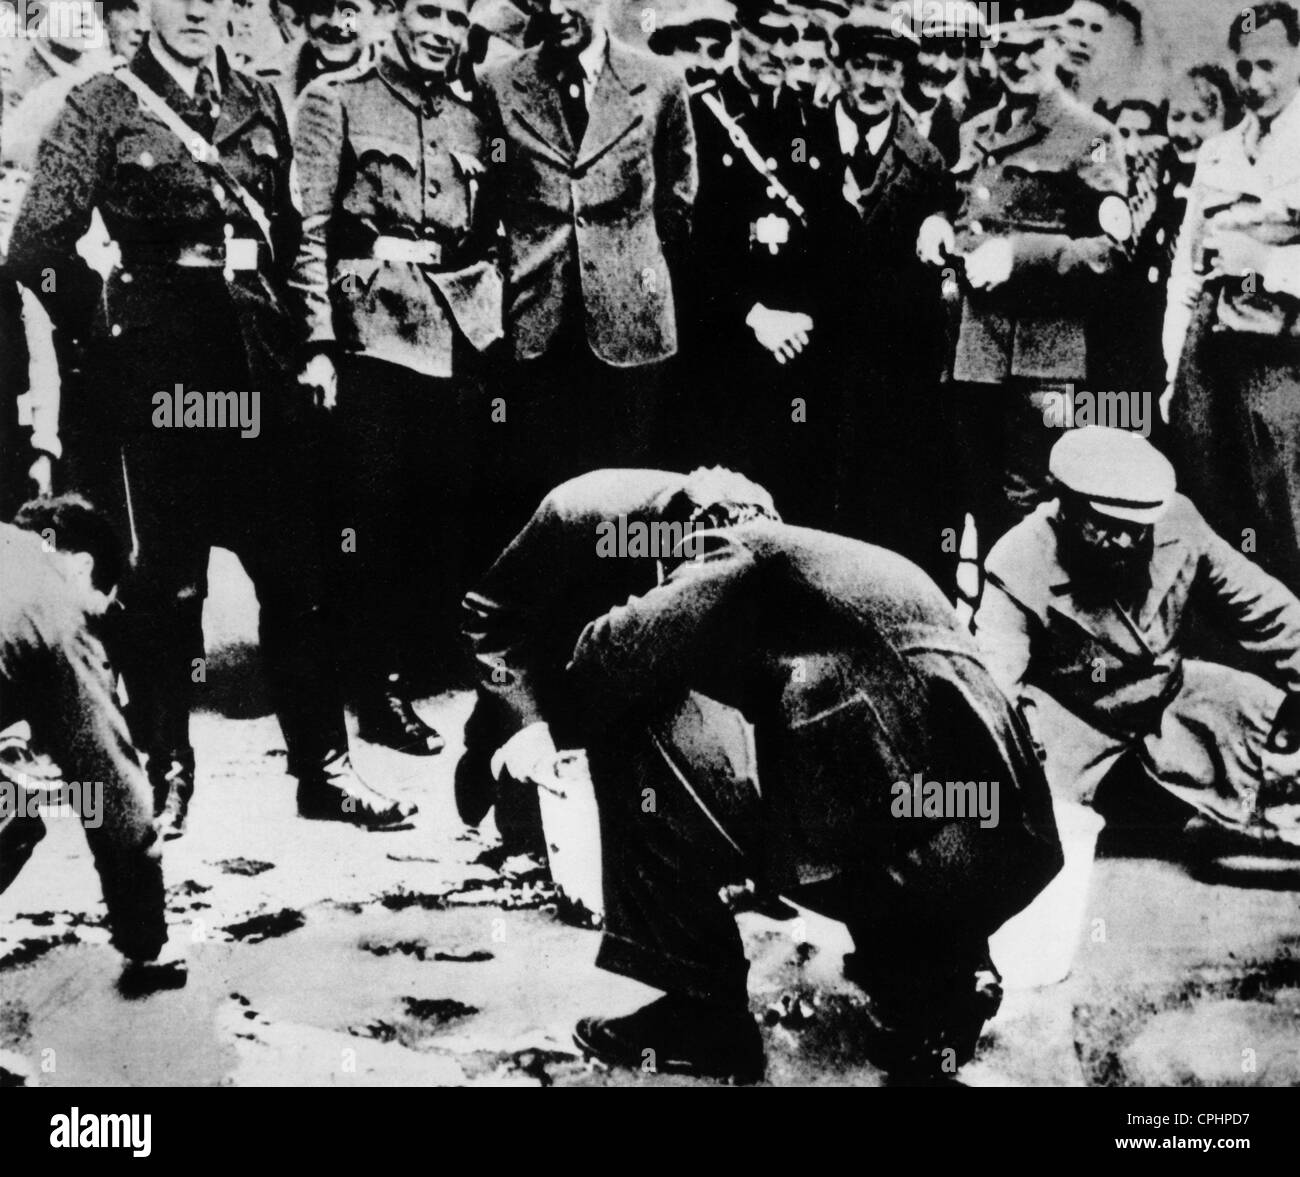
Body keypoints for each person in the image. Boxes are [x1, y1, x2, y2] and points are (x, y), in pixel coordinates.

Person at [5, 0, 415, 835]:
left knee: (299, 579)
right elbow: (35, 252)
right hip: (162, 387)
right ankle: (166, 770)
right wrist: (110, 327)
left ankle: (324, 770)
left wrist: (313, 345)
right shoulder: (101, 103)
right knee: (167, 588)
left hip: (260, 377)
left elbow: (293, 231)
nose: (197, 9)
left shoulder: (258, 100)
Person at [565, 513, 1061, 1083]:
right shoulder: (848, 568)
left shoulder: (734, 549)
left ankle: (701, 1018)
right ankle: (939, 996)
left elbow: (601, 656)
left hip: (907, 851)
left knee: (628, 720)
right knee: (864, 769)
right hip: (1003, 846)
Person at [292, 0, 501, 753]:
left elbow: (491, 224)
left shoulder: (477, 114)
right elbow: (308, 229)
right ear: (394, 18)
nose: (441, 30)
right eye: (426, 11)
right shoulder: (337, 98)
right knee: (368, 519)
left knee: (436, 511)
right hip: (369, 331)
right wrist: (318, 339)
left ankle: (417, 666)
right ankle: (375, 691)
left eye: (455, 15)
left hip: (457, 332)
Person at [975, 427, 1300, 847]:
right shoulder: (1019, 558)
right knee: (1097, 825)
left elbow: (1267, 612)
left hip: (1169, 700)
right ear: (1067, 508)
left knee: (1265, 711)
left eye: (1139, 527)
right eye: (1108, 525)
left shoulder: (1178, 522)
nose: (1127, 541)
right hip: (1078, 726)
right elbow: (995, 685)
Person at [457, 466, 776, 855]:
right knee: (544, 821)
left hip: (643, 674)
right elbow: (492, 617)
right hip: (557, 657)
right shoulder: (581, 514)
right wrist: (526, 727)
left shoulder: (763, 548)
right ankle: (491, 758)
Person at [916, 7, 1131, 566]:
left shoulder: (1091, 136)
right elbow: (970, 213)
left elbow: (1112, 254)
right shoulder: (975, 129)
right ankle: (990, 632)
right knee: (977, 502)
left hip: (1041, 362)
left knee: (1030, 506)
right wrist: (941, 220)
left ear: (1059, 46)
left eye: (1033, 48)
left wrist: (1022, 257)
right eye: (1005, 50)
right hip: (969, 352)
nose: (1019, 62)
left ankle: (1035, 640)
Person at [477, 0, 696, 539]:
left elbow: (678, 198)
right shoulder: (499, 84)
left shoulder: (662, 81)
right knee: (542, 499)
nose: (554, 9)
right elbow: (491, 195)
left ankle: (615, 620)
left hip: (631, 327)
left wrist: (628, 262)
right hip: (536, 323)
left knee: (627, 501)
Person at [0, 496, 184, 994]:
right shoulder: (53, 602)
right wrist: (144, 938)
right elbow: (109, 785)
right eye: (102, 610)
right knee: (13, 810)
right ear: (82, 567)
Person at [801, 5, 957, 588]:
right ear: (838, 68)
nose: (873, 82)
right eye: (861, 65)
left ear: (903, 77)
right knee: (807, 500)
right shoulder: (799, 139)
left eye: (887, 69)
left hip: (888, 374)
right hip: (809, 360)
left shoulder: (926, 163)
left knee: (879, 508)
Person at [1164, 2, 1300, 593]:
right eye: (1244, 68)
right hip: (1210, 354)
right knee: (1212, 512)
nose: (1254, 83)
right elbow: (1186, 273)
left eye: (1269, 65)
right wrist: (1174, 371)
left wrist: (1267, 264)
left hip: (1283, 359)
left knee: (1285, 517)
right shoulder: (1219, 152)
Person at [899, 0, 991, 165]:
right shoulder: (878, 113)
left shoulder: (960, 122)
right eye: (931, 48)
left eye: (954, 51)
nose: (942, 65)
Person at [253, 0, 382, 113]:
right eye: (321, 7)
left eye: (348, 12)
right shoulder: (267, 74)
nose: (334, 23)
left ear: (375, 13)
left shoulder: (386, 84)